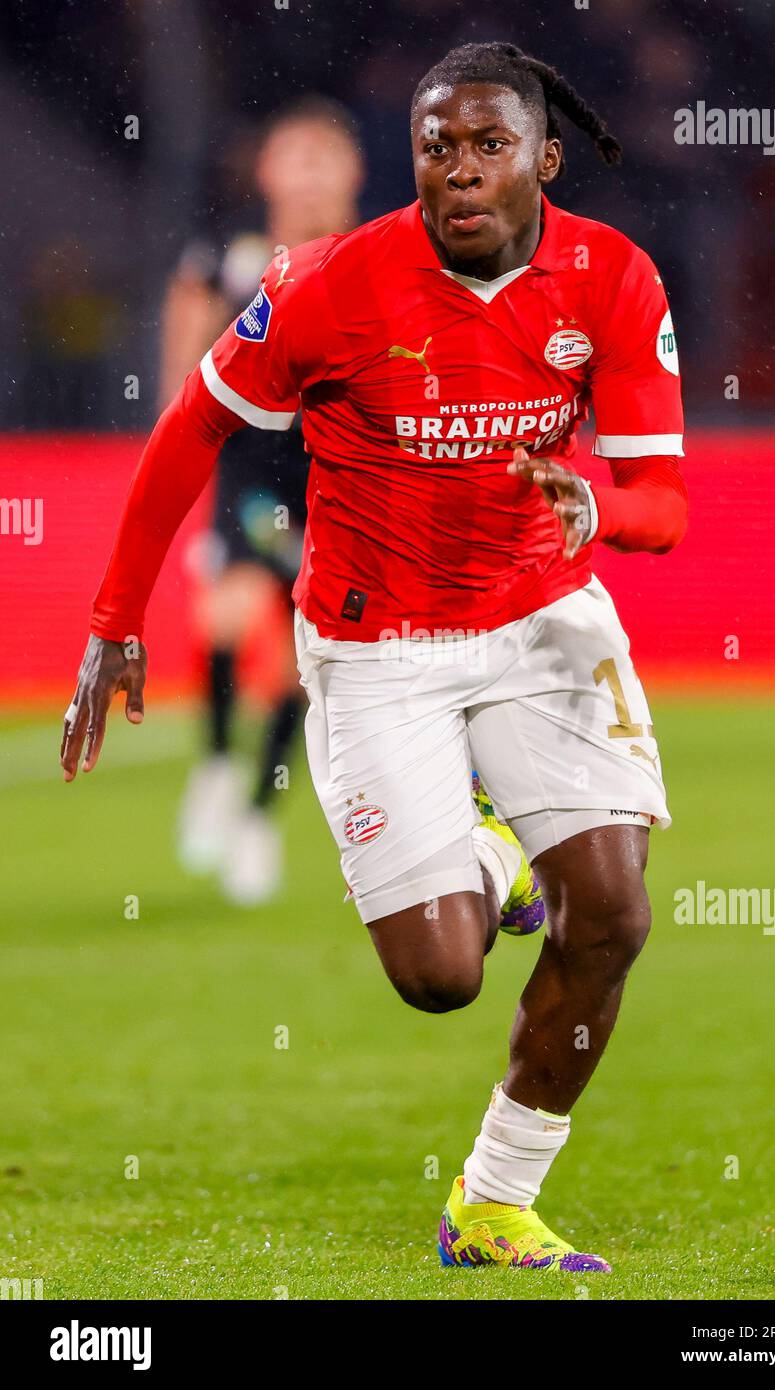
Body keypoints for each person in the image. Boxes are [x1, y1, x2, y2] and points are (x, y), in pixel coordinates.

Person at [61, 41, 687, 1272]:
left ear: (543, 160)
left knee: (610, 914)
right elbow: (190, 430)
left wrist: (594, 511)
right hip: (374, 640)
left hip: (545, 620)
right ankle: (489, 850)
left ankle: (492, 1201)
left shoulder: (608, 278)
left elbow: (660, 503)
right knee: (441, 976)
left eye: (488, 146)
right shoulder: (329, 285)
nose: (457, 172)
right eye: (434, 147)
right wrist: (113, 618)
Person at [160, 101, 364, 903]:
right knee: (227, 618)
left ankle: (256, 817)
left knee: (300, 666)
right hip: (253, 471)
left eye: (326, 157)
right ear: (268, 172)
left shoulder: (381, 256)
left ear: (354, 172)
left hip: (341, 476)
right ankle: (215, 764)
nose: (311, 172)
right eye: (295, 156)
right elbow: (184, 375)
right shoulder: (228, 256)